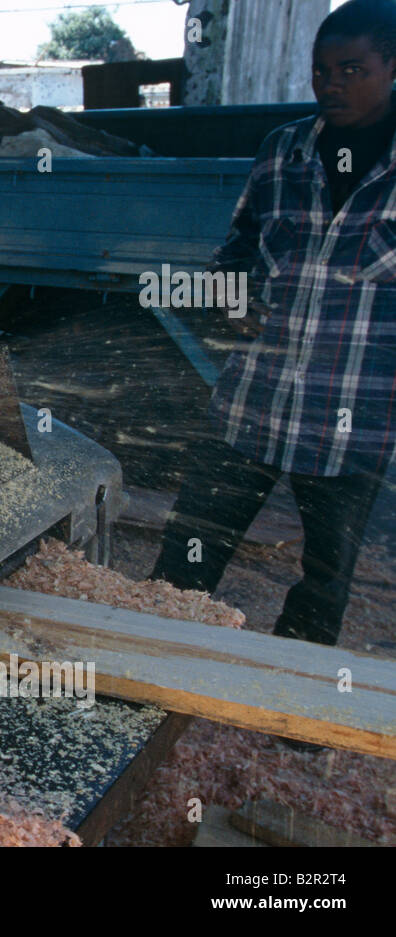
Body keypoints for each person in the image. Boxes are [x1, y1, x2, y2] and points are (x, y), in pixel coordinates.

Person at [151, 0, 396, 659]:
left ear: (393, 68)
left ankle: (289, 711)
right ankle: (156, 676)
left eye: (352, 69)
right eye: (321, 71)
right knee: (189, 549)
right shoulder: (283, 151)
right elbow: (230, 258)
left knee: (324, 580)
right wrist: (230, 299)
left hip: (355, 419)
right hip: (252, 402)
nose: (332, 85)